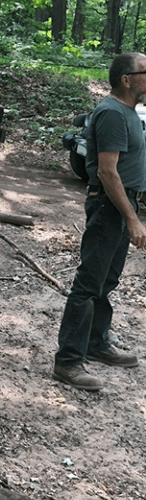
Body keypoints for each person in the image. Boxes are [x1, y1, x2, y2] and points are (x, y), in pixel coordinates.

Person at [54, 52, 146, 391]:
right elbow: (107, 172)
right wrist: (132, 218)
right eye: (145, 71)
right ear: (126, 79)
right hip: (110, 206)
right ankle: (67, 362)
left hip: (122, 204)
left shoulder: (129, 111)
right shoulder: (111, 113)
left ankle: (96, 342)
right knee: (89, 284)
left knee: (107, 280)